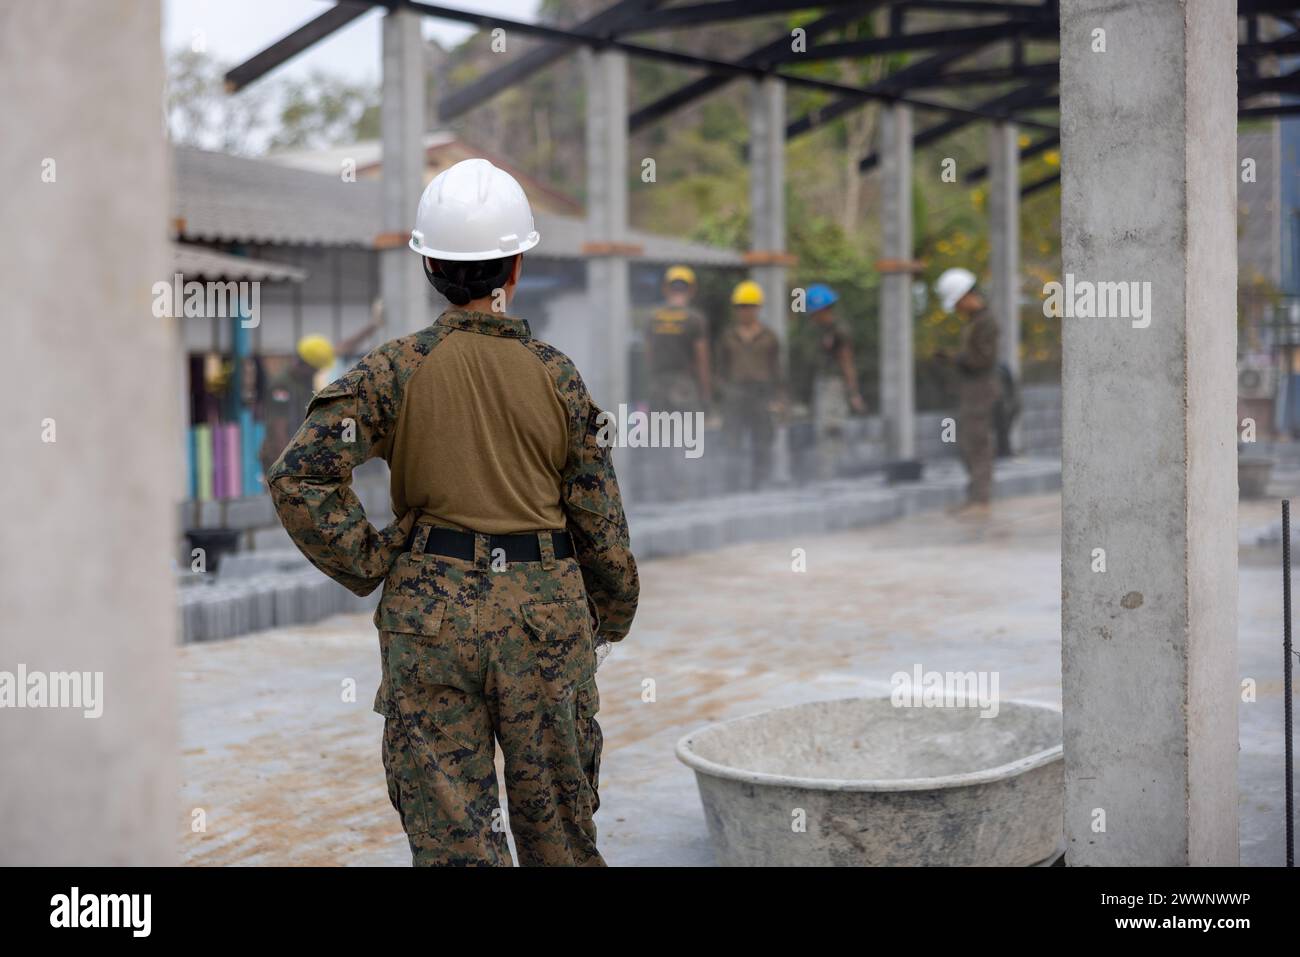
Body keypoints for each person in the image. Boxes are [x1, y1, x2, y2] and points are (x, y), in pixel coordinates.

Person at [268, 158, 639, 867]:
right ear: (517, 267)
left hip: (429, 620)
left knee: (455, 846)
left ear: (431, 266)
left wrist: (371, 558)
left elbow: (301, 474)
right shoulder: (557, 375)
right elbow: (601, 523)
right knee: (559, 834)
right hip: (545, 623)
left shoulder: (393, 370)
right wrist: (610, 614)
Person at [257, 315, 383, 479]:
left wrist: (373, 326)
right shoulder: (281, 386)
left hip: (302, 451)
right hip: (280, 455)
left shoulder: (305, 374)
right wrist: (286, 466)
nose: (317, 372)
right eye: (315, 369)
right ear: (306, 365)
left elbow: (343, 348)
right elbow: (279, 428)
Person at [933, 267, 999, 510]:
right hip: (972, 390)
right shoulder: (976, 322)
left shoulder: (986, 322)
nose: (958, 309)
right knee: (968, 443)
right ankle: (975, 496)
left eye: (958, 303)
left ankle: (980, 499)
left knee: (977, 443)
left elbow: (983, 360)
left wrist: (956, 359)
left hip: (981, 390)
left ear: (966, 295)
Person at [717, 280, 782, 490]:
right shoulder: (728, 336)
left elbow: (777, 370)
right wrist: (723, 394)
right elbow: (720, 368)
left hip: (761, 393)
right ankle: (732, 485)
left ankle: (760, 484)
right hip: (735, 393)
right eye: (741, 307)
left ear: (758, 308)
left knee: (762, 442)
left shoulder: (770, 337)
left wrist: (779, 399)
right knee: (732, 441)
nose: (745, 311)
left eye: (749, 306)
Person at [804, 283, 865, 480]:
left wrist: (853, 393)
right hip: (823, 383)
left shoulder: (839, 331)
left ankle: (833, 473)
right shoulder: (820, 331)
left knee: (831, 428)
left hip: (835, 385)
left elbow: (847, 362)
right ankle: (828, 472)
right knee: (824, 429)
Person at [645, 265, 711, 412]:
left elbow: (648, 356)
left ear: (665, 289)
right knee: (686, 434)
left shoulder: (652, 317)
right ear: (692, 290)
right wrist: (705, 395)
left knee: (658, 433)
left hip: (657, 386)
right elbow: (702, 360)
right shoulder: (695, 319)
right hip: (684, 386)